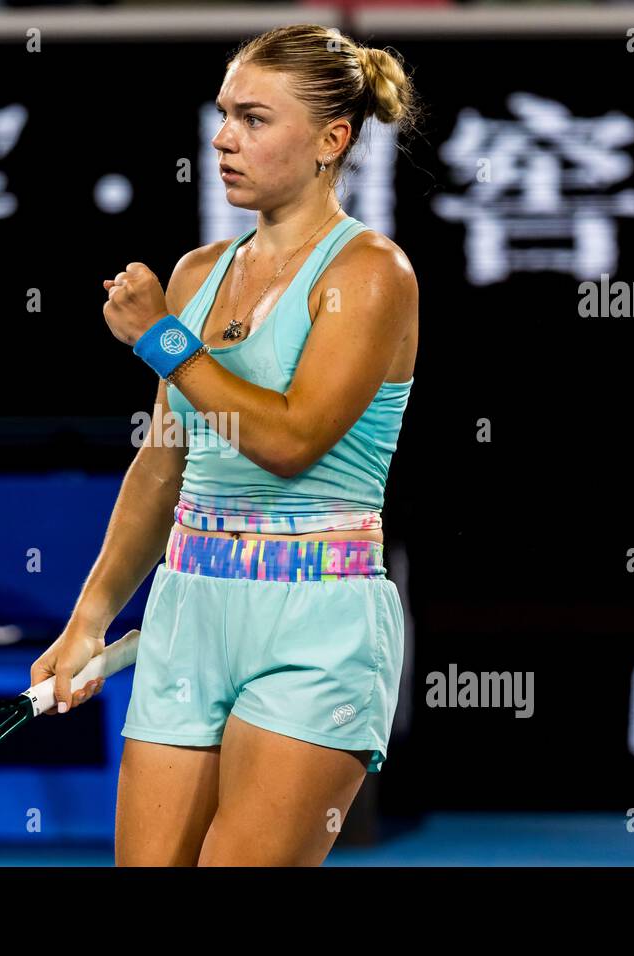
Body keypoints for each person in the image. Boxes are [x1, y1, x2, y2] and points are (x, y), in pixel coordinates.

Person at [30, 23, 421, 866]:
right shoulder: (197, 273)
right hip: (189, 612)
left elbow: (289, 441)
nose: (223, 138)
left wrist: (164, 342)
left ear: (331, 139)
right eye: (223, 115)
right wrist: (89, 617)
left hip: (317, 628)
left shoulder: (371, 276)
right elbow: (163, 464)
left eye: (253, 118)